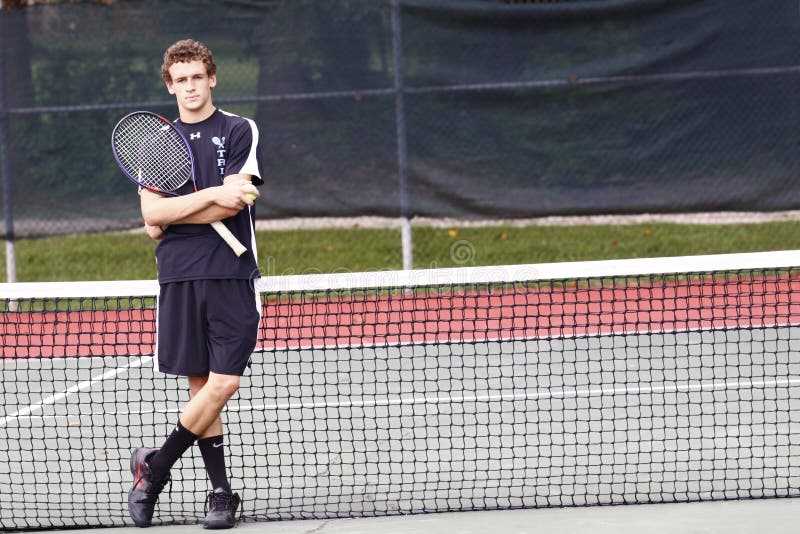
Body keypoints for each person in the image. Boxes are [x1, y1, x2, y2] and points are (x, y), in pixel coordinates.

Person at [127, 38, 263, 530]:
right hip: (179, 273)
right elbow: (152, 215)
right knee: (201, 385)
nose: (190, 86)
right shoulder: (157, 144)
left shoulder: (239, 129)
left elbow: (237, 200)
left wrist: (178, 211)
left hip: (232, 269)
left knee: (225, 382)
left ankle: (156, 465)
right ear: (170, 85)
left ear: (212, 78)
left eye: (197, 77)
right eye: (180, 79)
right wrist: (208, 196)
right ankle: (221, 495)